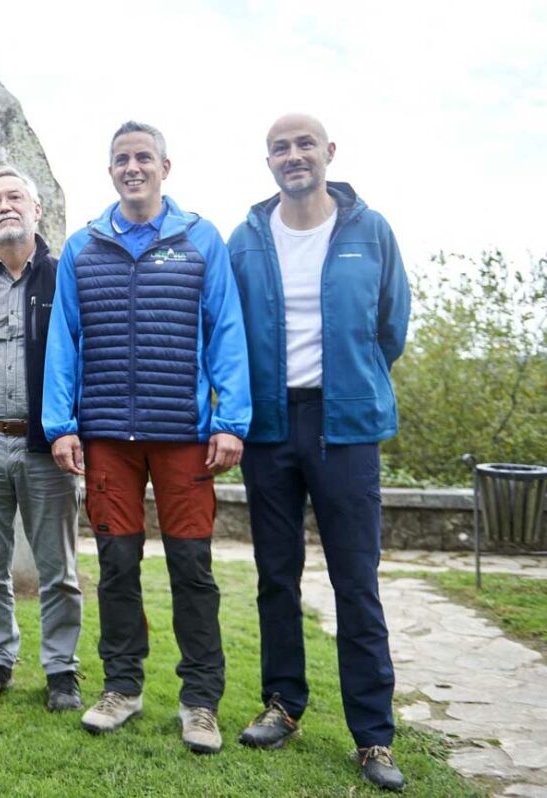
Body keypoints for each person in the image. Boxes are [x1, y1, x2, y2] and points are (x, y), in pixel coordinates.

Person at [42, 122, 251, 754]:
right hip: (107, 436)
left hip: (185, 436)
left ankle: (199, 702)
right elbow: (64, 343)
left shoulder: (200, 241)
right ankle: (123, 688)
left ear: (165, 165)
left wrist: (230, 420)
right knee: (117, 567)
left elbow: (226, 333)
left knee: (192, 569)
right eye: (121, 159)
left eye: (143, 158)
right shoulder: (83, 247)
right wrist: (62, 424)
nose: (132, 168)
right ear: (110, 172)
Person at [228, 113, 410, 791]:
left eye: (305, 144)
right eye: (281, 147)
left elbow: (391, 326)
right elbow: (228, 328)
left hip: (347, 428)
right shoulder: (244, 239)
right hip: (271, 427)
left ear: (329, 152)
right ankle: (283, 705)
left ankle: (373, 737)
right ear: (268, 159)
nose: (294, 155)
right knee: (277, 576)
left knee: (355, 582)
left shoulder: (371, 230)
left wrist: (351, 380)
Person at [0, 166, 83, 711]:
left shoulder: (63, 277)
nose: (5, 207)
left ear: (37, 210)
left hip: (45, 447)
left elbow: (83, 358)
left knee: (58, 570)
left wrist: (74, 428)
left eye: (15, 198)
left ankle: (61, 670)